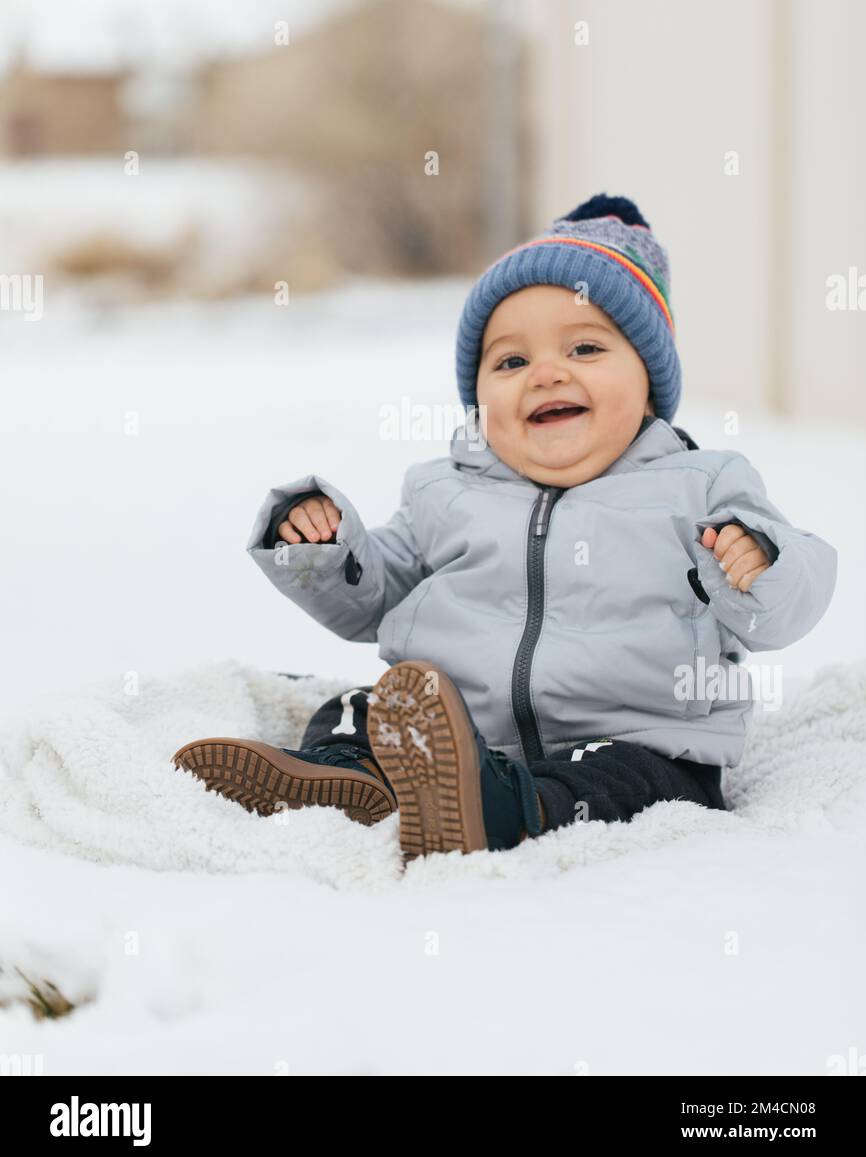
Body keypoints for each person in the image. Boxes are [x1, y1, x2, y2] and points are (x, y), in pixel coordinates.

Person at [172, 193, 837, 861]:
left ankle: (512, 808)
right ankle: (345, 782)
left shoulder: (700, 487)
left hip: (638, 738)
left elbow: (792, 599)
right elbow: (372, 598)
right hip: (460, 735)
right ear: (480, 397)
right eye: (511, 362)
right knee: (356, 710)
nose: (546, 373)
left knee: (635, 781)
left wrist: (763, 563)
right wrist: (323, 549)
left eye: (584, 347)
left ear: (648, 380)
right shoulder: (445, 492)